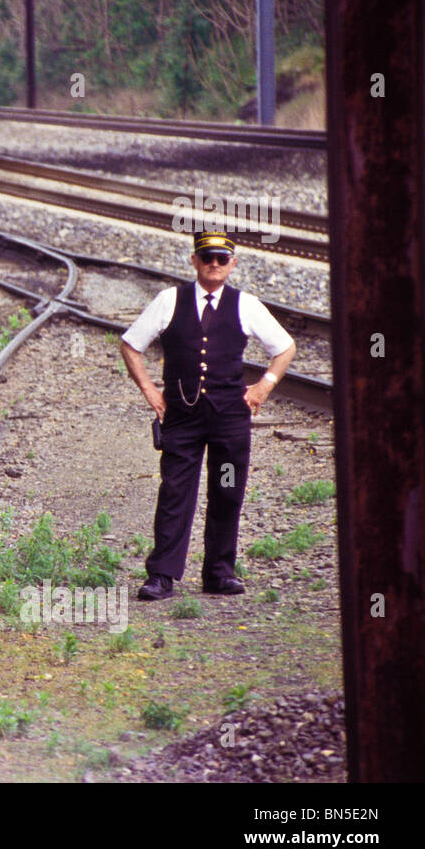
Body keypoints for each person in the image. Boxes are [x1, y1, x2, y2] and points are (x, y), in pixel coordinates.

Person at [119, 231, 296, 600]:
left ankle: (219, 572)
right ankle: (162, 576)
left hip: (229, 419)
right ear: (194, 261)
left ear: (232, 264)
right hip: (182, 417)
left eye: (221, 258)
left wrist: (264, 386)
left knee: (227, 489)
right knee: (175, 491)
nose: (213, 264)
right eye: (206, 258)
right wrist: (151, 392)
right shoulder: (170, 300)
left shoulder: (245, 304)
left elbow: (284, 347)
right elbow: (130, 344)